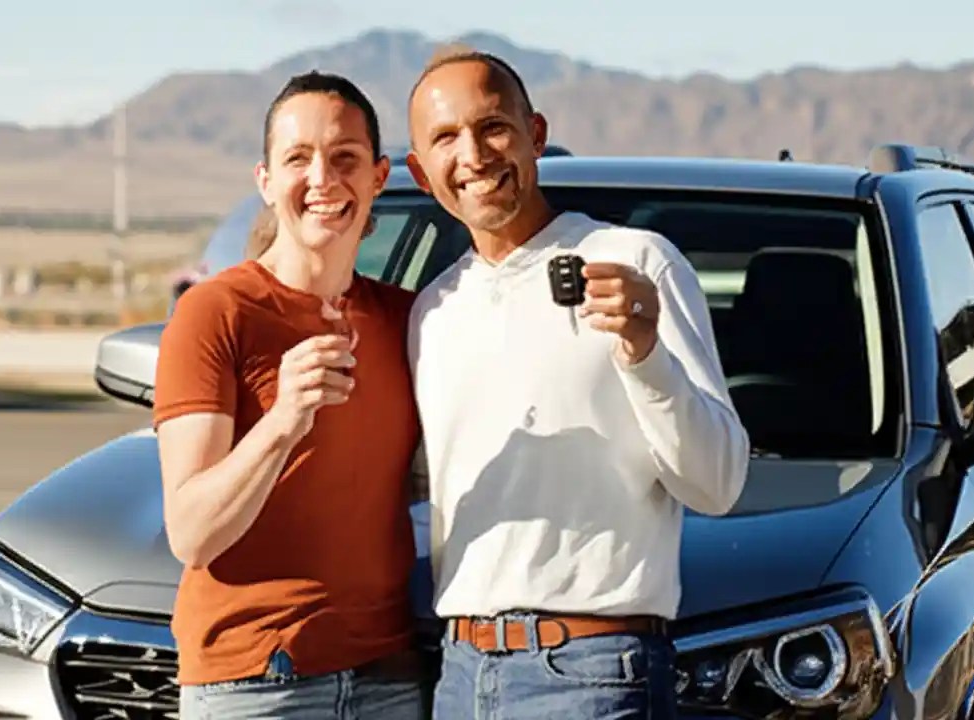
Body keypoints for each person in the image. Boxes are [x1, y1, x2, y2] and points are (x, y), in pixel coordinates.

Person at [403, 48, 751, 718]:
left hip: (591, 675)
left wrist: (644, 350)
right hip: (458, 676)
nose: (472, 155)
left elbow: (718, 483)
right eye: (446, 138)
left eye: (492, 126)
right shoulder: (433, 312)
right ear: (421, 171)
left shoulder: (636, 263)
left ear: (535, 133)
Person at [152, 70, 425, 719]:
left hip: (390, 674)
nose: (323, 180)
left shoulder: (408, 320)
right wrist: (283, 419)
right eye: (298, 159)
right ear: (266, 181)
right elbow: (192, 534)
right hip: (256, 681)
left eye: (345, 158)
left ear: (379, 176)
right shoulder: (216, 312)